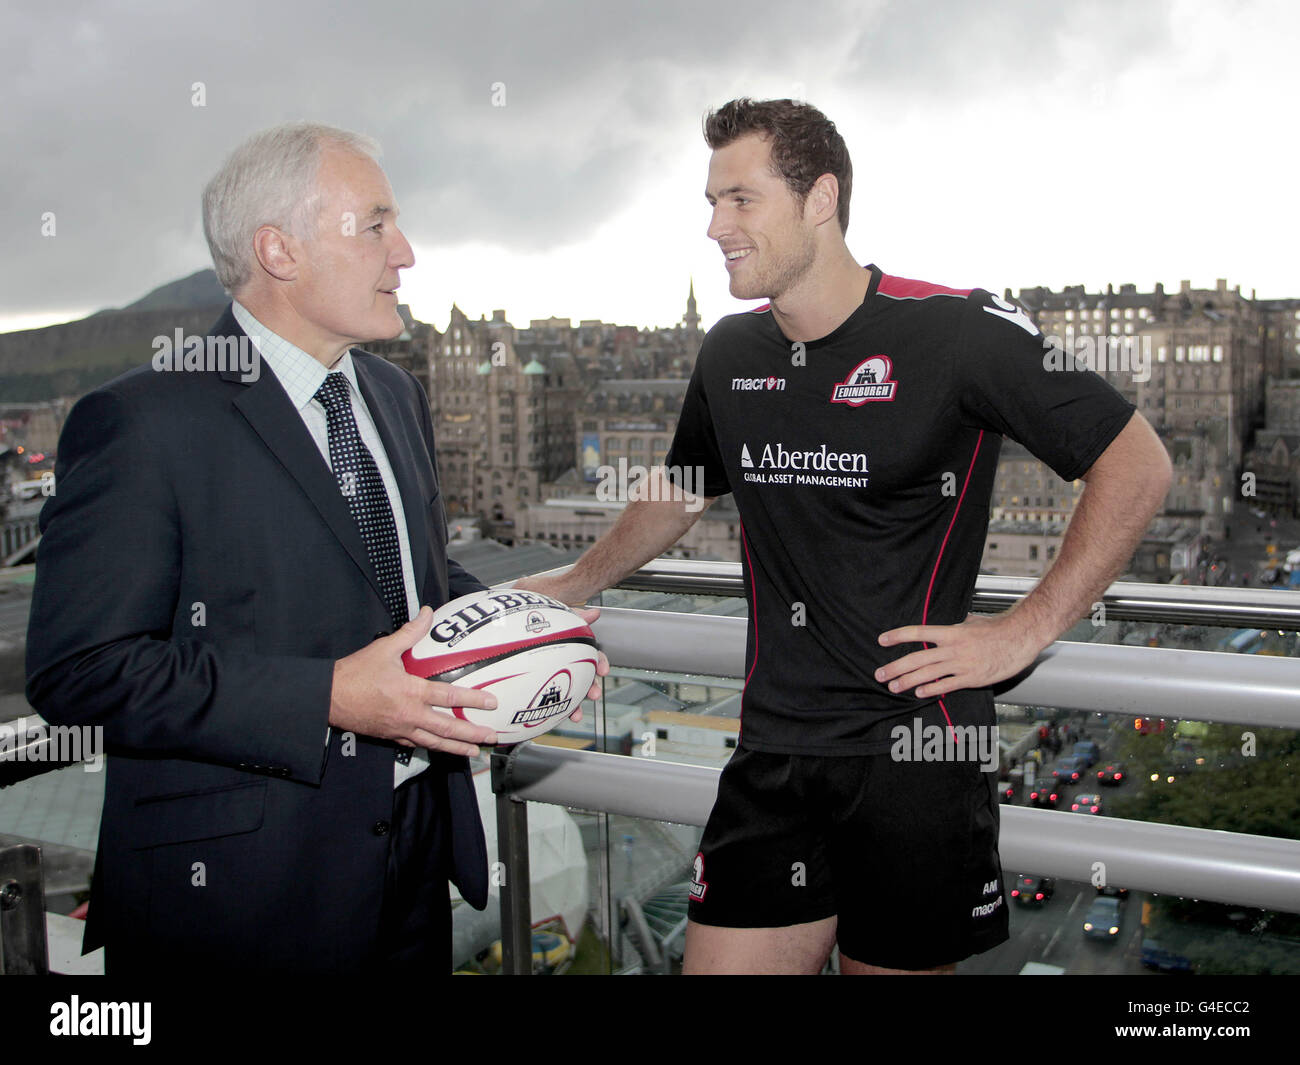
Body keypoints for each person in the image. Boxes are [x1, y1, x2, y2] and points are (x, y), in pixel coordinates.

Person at [517, 98, 1171, 974]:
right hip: (773, 749)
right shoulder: (730, 352)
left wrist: (1027, 626)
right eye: (710, 202)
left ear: (820, 198)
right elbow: (681, 488)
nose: (715, 226)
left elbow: (1137, 464)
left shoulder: (958, 331)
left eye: (740, 200)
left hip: (915, 754)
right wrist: (576, 582)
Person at [26, 122, 601, 974]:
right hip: (237, 899)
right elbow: (81, 669)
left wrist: (535, 629)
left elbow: (416, 583)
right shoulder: (146, 421)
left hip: (411, 865)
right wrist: (326, 695)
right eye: (373, 225)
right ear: (279, 250)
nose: (403, 252)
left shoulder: (394, 392)